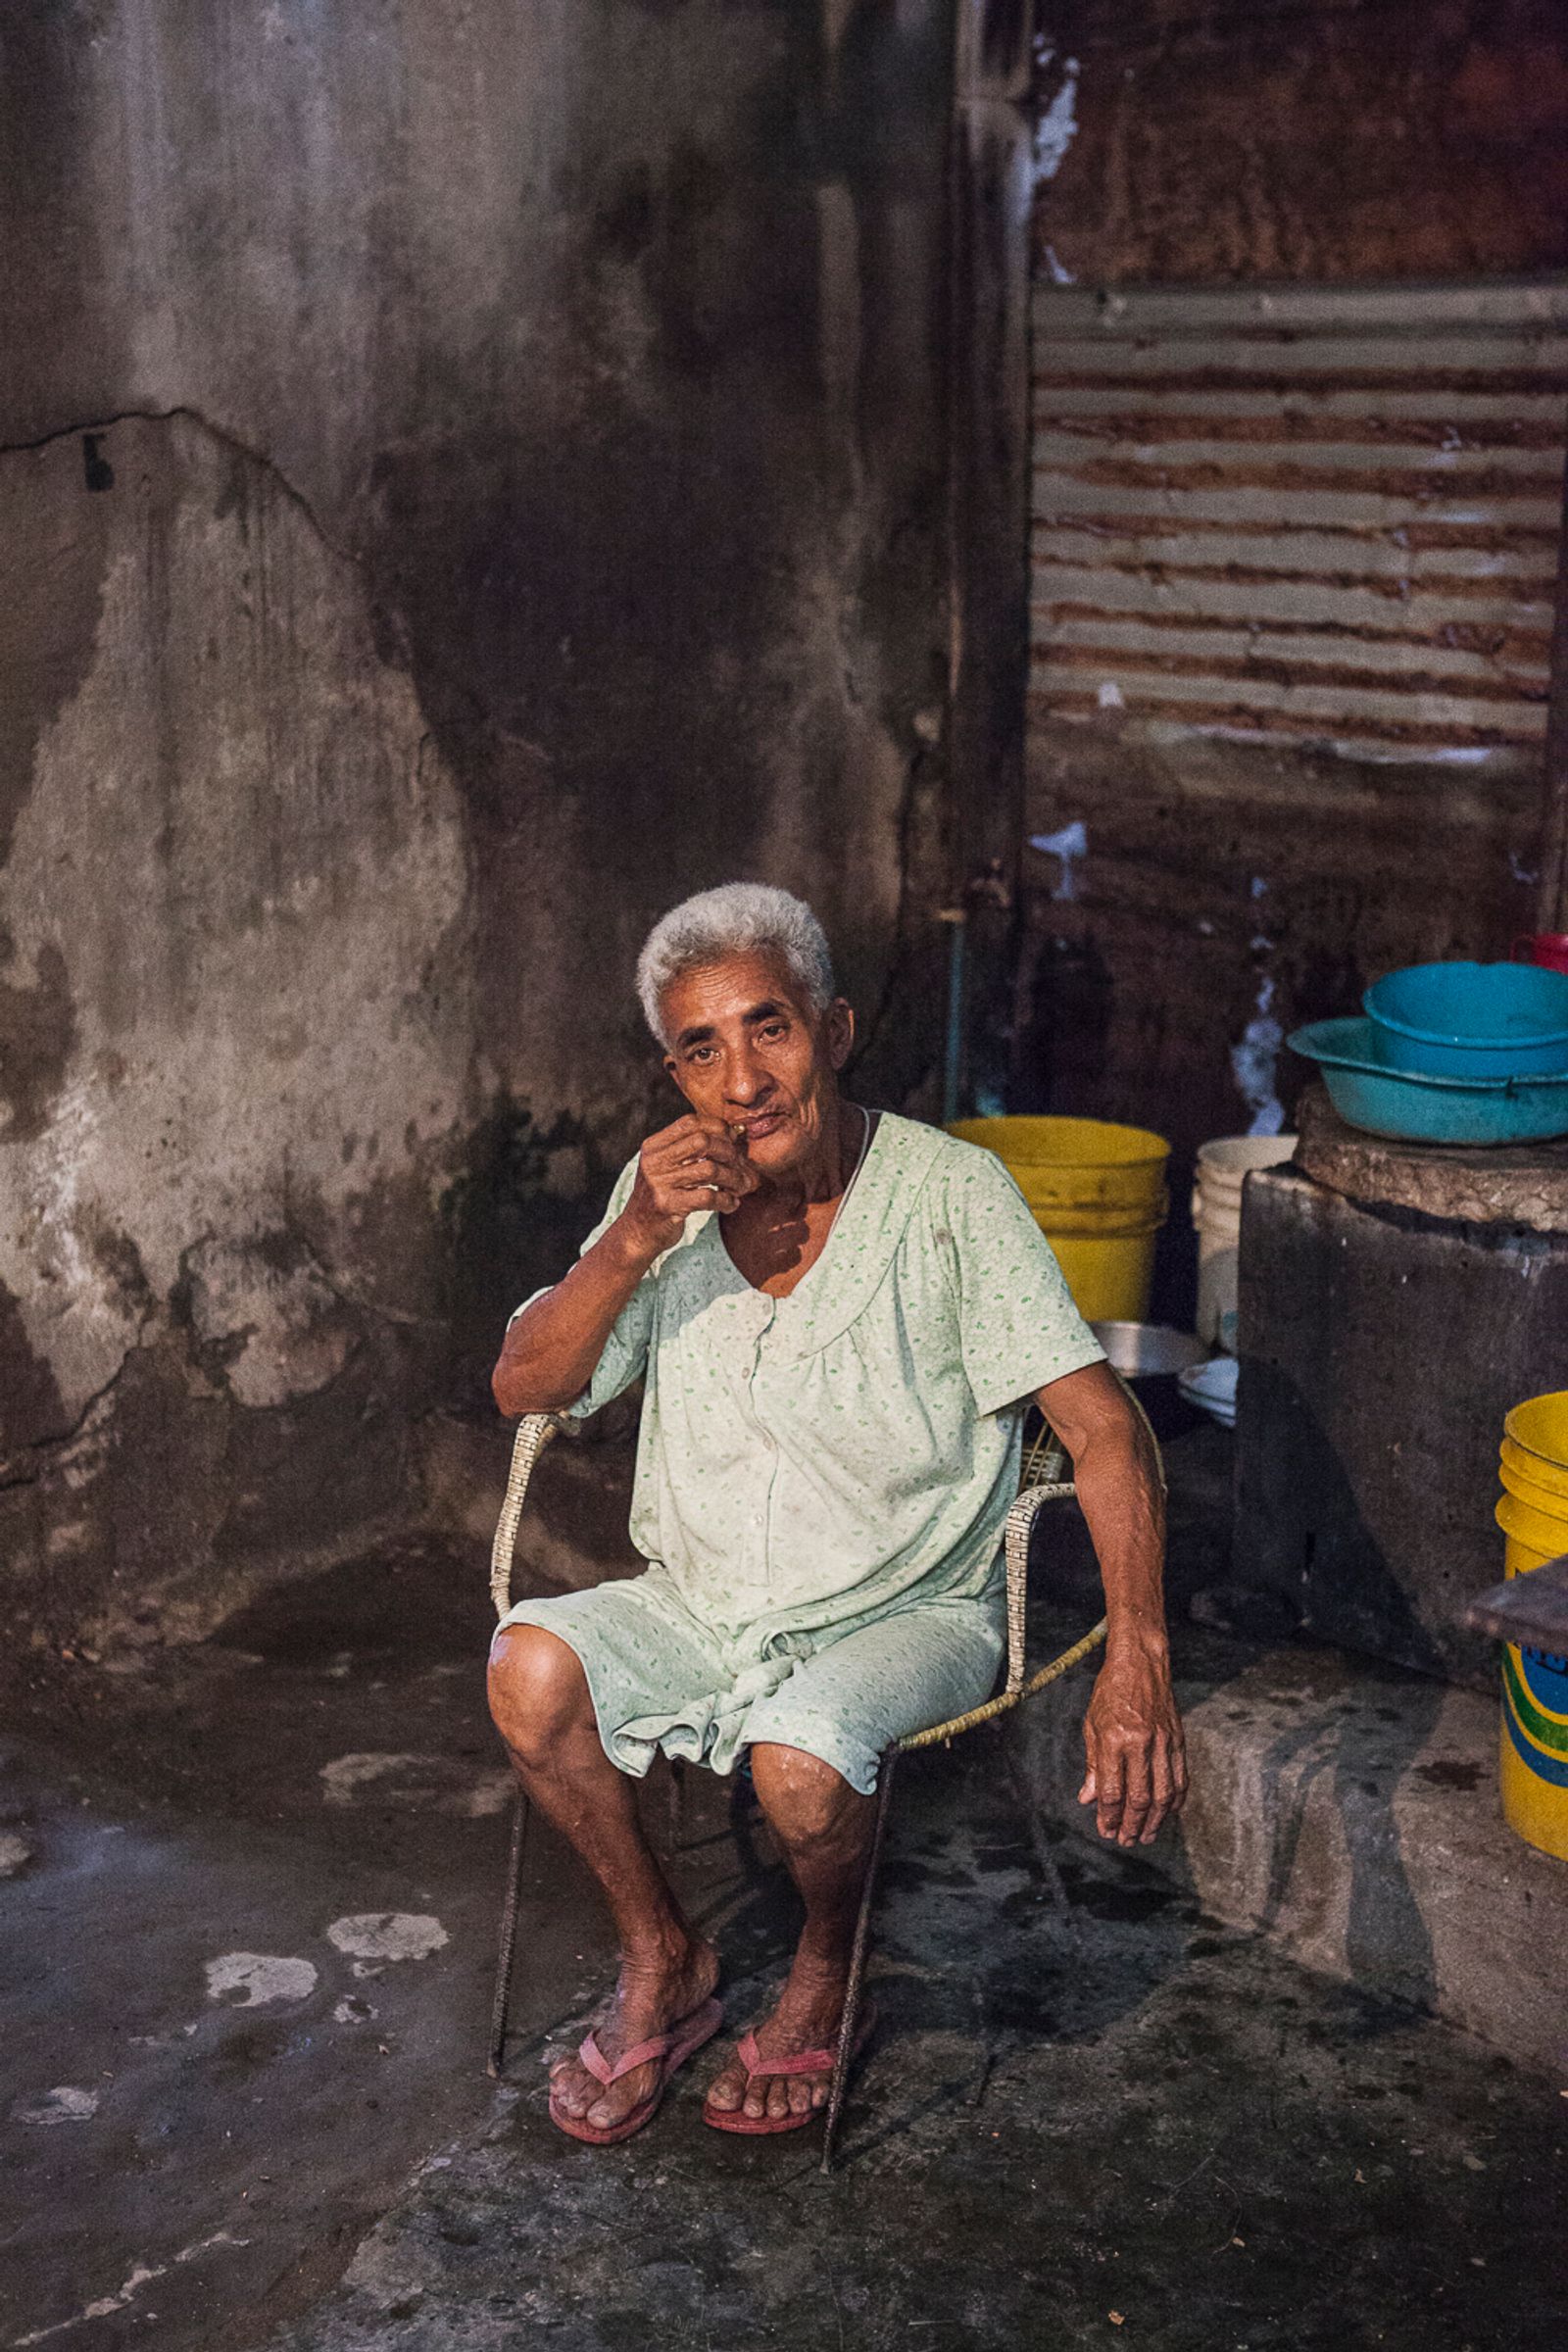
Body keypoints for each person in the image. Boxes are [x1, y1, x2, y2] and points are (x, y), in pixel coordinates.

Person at [488, 882, 1186, 2145]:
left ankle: (824, 1972)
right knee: (528, 1670)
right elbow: (523, 1386)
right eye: (704, 1049)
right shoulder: (665, 1207)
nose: (744, 1081)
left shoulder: (952, 1196)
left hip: (910, 1609)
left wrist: (1136, 1649)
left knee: (801, 1765)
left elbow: (1102, 1425)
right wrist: (632, 1240)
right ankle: (666, 1956)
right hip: (703, 1601)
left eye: (772, 1030)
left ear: (837, 1030)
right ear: (676, 1072)